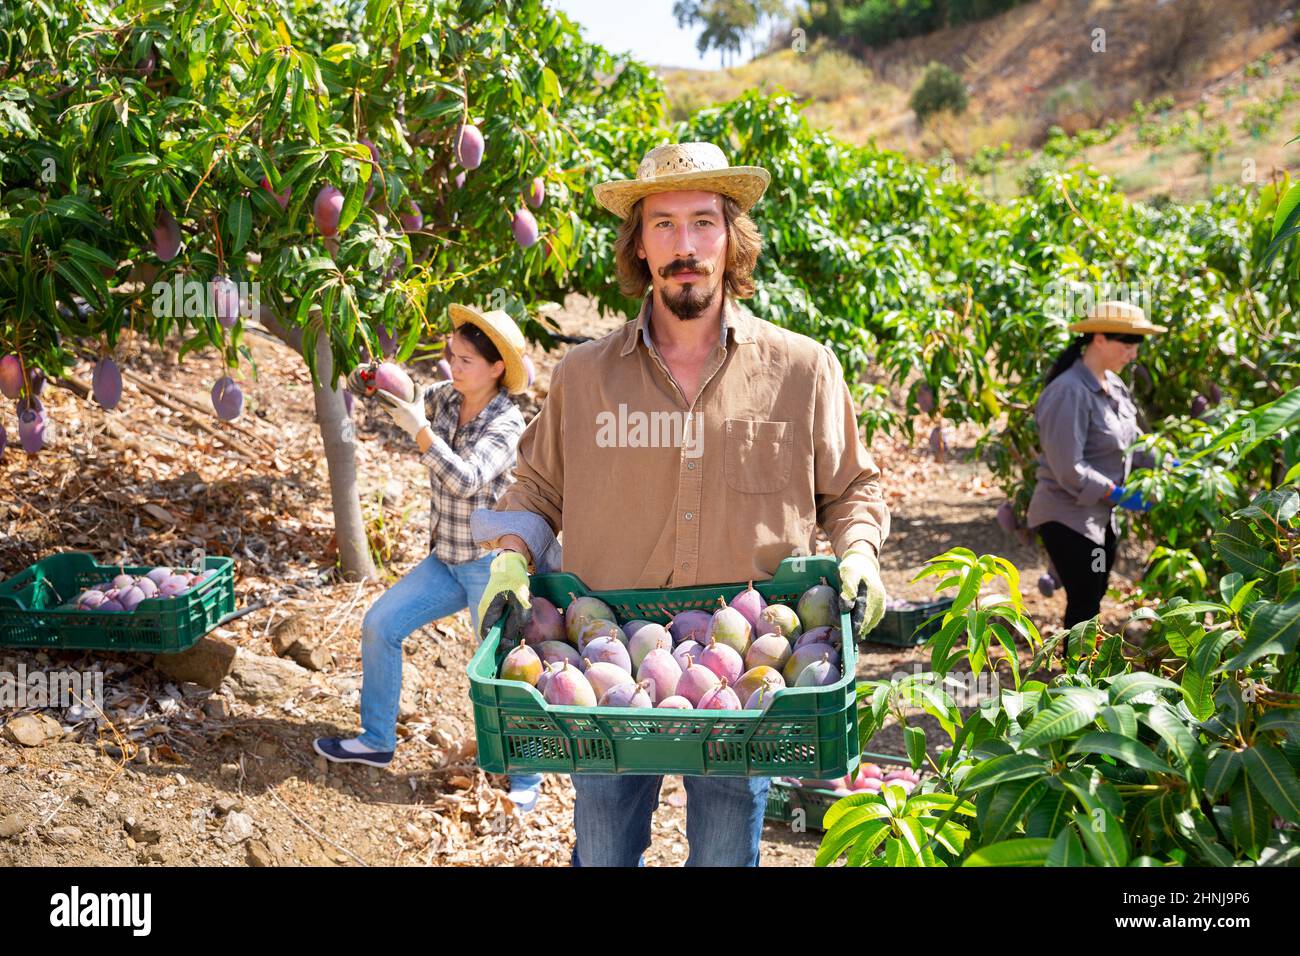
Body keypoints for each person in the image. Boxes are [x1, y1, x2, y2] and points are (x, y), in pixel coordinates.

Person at [471, 141, 891, 866]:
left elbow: (850, 488)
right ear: (638, 245)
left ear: (733, 239)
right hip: (607, 665)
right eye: (663, 225)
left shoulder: (801, 368)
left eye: (703, 222)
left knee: (726, 854)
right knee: (603, 851)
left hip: (748, 670)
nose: (685, 245)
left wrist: (859, 552)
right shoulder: (585, 375)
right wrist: (512, 558)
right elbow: (537, 488)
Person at [314, 305, 544, 812]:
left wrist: (420, 431)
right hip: (446, 559)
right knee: (380, 624)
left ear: (496, 368)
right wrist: (371, 377)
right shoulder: (445, 398)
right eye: (452, 356)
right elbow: (403, 396)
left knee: (505, 665)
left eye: (465, 360)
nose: (453, 367)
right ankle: (376, 740)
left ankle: (527, 772)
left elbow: (465, 479)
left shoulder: (507, 422)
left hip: (490, 565)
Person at [1026, 299, 1166, 644]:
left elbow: (1133, 441)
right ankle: (1074, 677)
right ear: (1099, 339)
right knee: (1085, 596)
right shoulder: (1068, 392)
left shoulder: (1113, 385)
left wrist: (1171, 463)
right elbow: (1068, 467)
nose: (1133, 354)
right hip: (1067, 517)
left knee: (1095, 590)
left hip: (1100, 518)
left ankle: (1080, 670)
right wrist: (1117, 493)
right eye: (1127, 345)